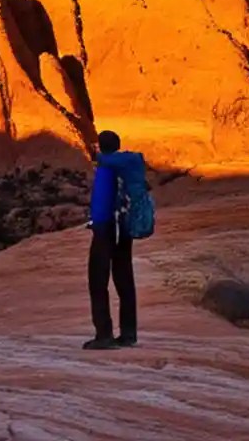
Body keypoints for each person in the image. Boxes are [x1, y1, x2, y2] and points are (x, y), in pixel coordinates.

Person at [82, 130, 146, 350]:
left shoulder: (107, 166)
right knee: (124, 279)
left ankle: (104, 335)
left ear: (101, 145)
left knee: (97, 281)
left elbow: (101, 201)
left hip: (107, 228)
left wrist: (96, 224)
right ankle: (128, 334)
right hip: (124, 226)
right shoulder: (127, 164)